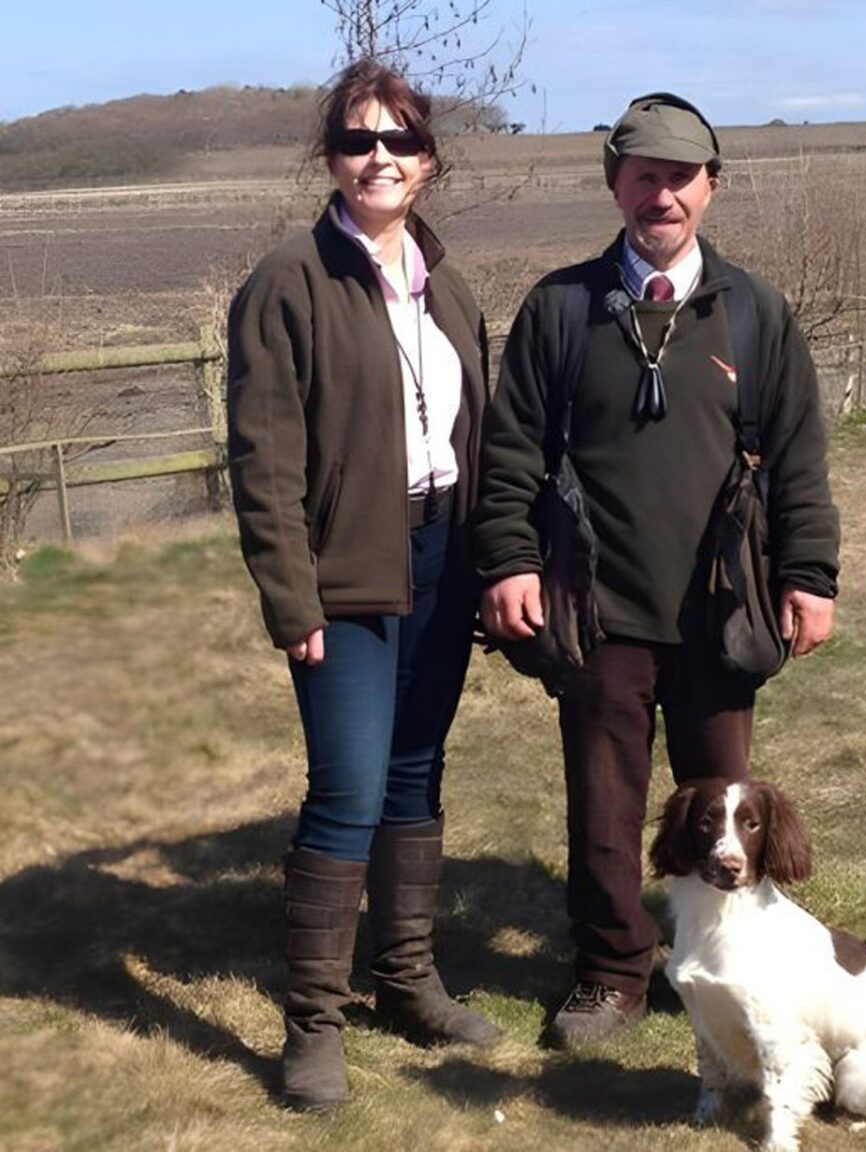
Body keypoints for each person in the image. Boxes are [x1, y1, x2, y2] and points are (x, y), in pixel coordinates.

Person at [474, 92, 840, 1048]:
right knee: (605, 801)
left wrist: (811, 575)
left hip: (722, 609)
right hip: (597, 607)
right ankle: (611, 976)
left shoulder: (754, 313)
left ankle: (724, 965)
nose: (662, 195)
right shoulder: (560, 308)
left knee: (723, 805)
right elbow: (508, 450)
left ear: (711, 188)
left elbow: (799, 458)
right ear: (615, 186)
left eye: (681, 177)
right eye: (644, 176)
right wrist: (511, 561)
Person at [226, 59, 497, 1111]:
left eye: (397, 140)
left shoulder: (447, 280)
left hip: (440, 560)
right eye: (356, 140)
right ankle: (314, 1024)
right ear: (331, 159)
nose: (377, 158)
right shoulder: (288, 282)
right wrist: (290, 599)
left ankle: (407, 981)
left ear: (427, 160)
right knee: (346, 788)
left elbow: (474, 430)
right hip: (345, 571)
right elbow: (263, 458)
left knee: (416, 773)